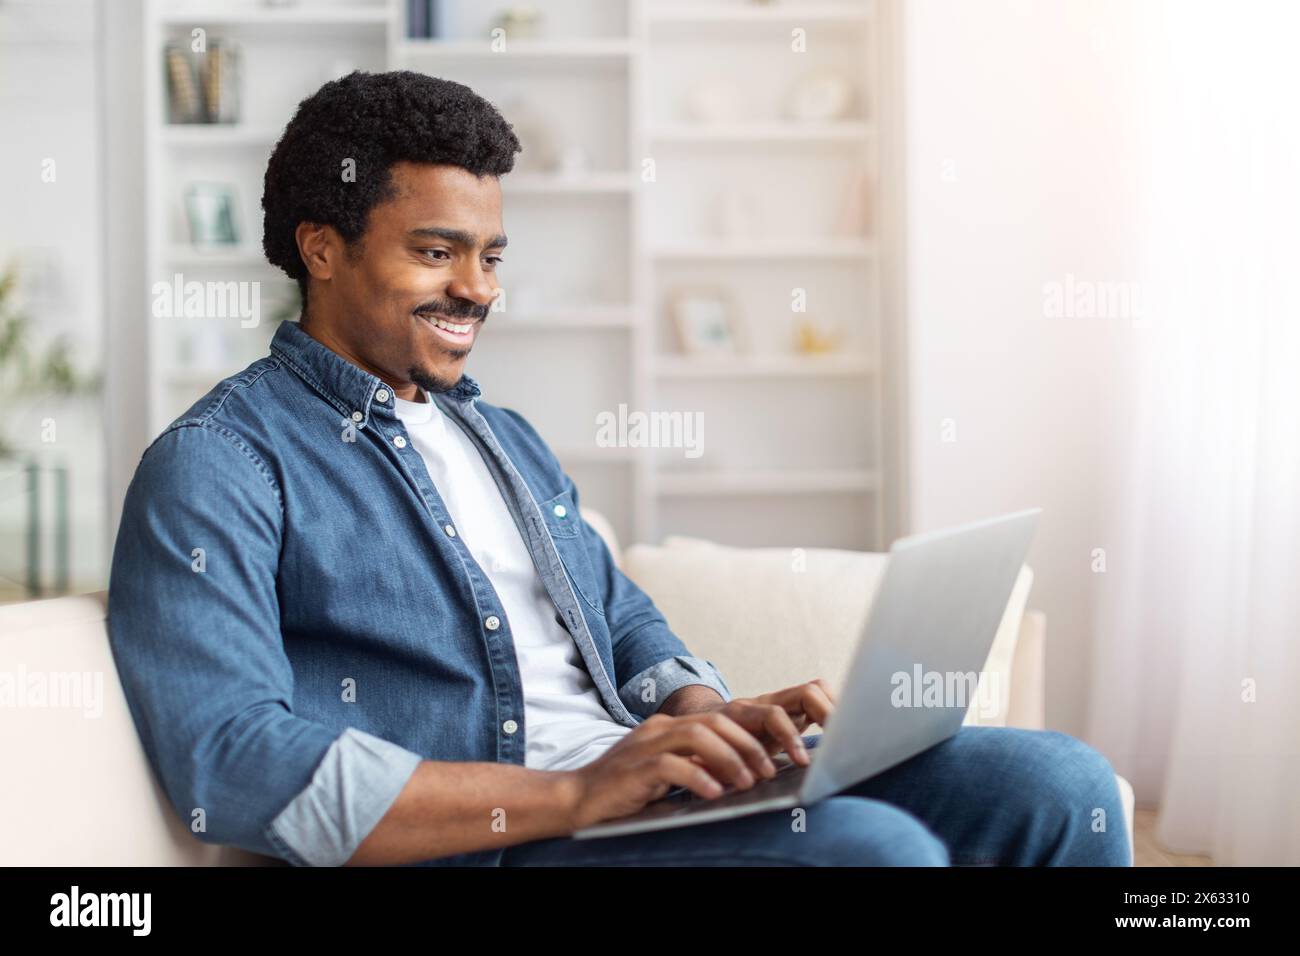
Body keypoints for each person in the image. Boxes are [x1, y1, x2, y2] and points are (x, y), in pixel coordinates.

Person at [107, 70, 1130, 867]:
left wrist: (700, 715)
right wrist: (576, 791)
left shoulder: (500, 435)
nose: (477, 288)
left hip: (626, 798)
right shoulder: (218, 463)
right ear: (321, 248)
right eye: (435, 251)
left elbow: (620, 618)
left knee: (1051, 778)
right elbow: (229, 759)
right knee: (876, 853)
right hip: (501, 840)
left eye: (492, 256)